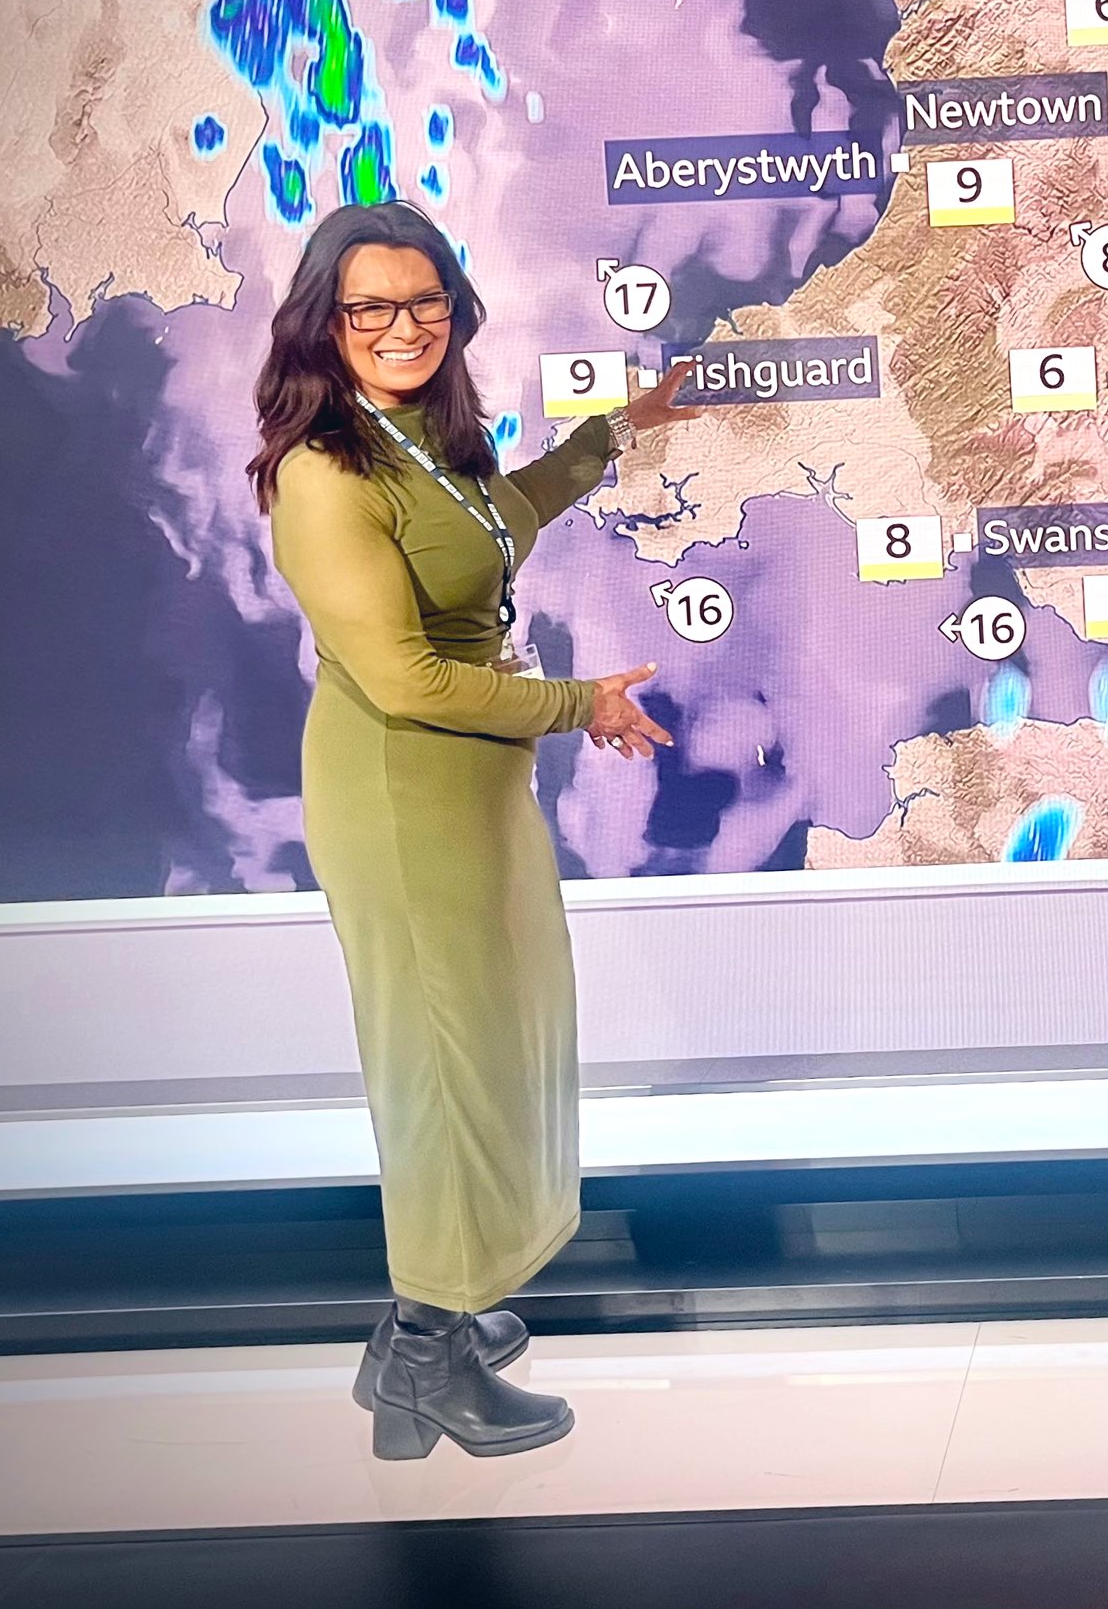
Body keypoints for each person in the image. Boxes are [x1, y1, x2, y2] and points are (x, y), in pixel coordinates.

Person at [250, 201, 695, 1460]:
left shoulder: (417, 442)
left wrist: (617, 433)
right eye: (372, 306)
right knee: (441, 1062)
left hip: (470, 784)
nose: (404, 326)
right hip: (403, 791)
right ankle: (423, 1361)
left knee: (491, 1045)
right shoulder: (325, 472)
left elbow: (496, 519)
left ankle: (430, 1314)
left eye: (425, 300)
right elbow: (405, 678)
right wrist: (578, 703)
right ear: (325, 322)